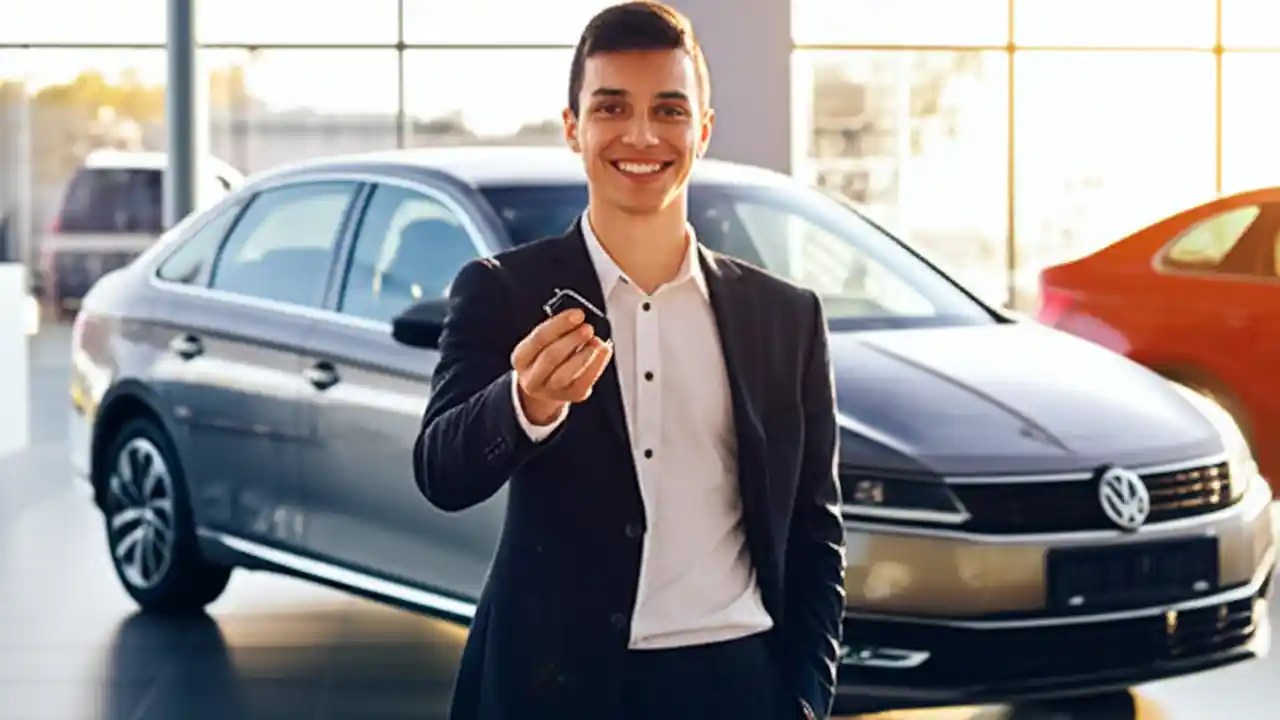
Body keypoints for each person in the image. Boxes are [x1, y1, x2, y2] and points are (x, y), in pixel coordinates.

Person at [412, 2, 846, 718]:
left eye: (669, 111)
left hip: (734, 684)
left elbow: (814, 533)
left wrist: (803, 698)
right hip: (553, 688)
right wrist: (527, 404)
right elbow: (441, 473)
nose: (641, 135)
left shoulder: (787, 317)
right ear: (573, 127)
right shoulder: (502, 290)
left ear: (701, 131)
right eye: (612, 107)